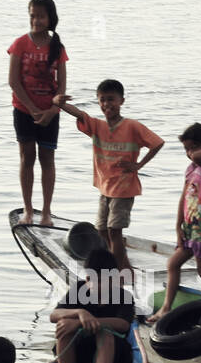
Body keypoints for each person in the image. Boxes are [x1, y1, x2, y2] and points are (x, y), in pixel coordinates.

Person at [54, 79, 163, 277]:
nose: (107, 104)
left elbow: (157, 143)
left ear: (122, 101)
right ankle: (125, 266)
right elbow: (79, 114)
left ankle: (118, 273)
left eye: (111, 99)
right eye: (102, 100)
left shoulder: (132, 126)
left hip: (124, 188)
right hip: (105, 188)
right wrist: (59, 103)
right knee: (102, 231)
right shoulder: (97, 126)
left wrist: (138, 165)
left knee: (114, 231)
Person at [149, 124, 201, 322]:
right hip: (190, 226)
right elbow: (184, 197)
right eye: (186, 149)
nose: (190, 153)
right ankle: (167, 307)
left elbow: (198, 157)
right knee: (173, 263)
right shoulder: (191, 169)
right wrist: (178, 225)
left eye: (193, 147)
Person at [8, 0, 68, 228]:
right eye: (32, 15)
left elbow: (62, 86)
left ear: (50, 18)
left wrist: (53, 110)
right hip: (24, 110)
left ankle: (46, 212)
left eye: (41, 16)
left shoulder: (57, 47)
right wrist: (32, 110)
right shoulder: (20, 44)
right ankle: (29, 210)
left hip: (50, 113)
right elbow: (14, 81)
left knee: (47, 159)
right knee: (27, 158)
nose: (36, 20)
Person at [50, 247, 135, 363]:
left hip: (116, 357)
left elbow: (123, 324)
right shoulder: (79, 289)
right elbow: (53, 315)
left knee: (104, 333)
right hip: (83, 357)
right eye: (90, 278)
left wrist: (80, 322)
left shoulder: (123, 296)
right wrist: (80, 312)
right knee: (63, 328)